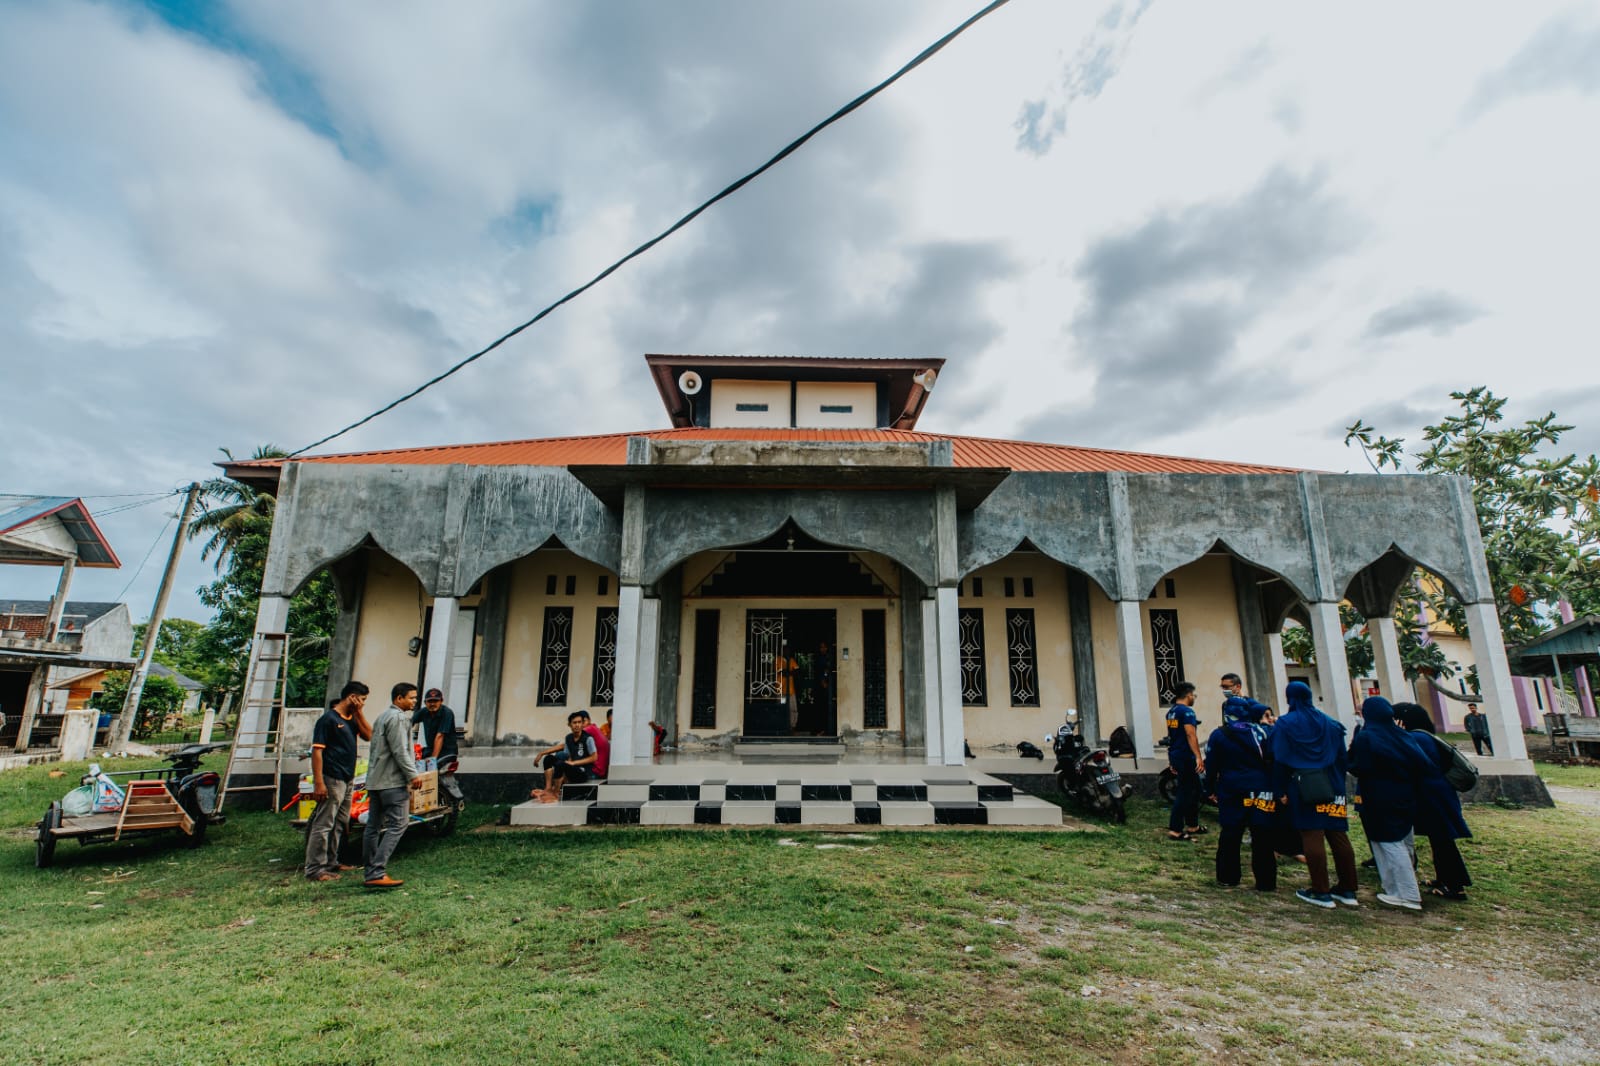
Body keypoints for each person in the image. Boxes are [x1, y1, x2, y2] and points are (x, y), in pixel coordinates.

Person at [1272, 681, 1358, 909]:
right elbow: (1342, 758)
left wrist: (1279, 789)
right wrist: (1338, 784)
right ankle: (1348, 889)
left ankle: (1321, 890)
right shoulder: (1331, 724)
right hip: (1333, 787)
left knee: (1312, 835)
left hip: (1304, 787)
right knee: (1338, 834)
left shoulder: (1286, 724)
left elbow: (1280, 759)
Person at [1348, 696, 1427, 911]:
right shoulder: (1403, 735)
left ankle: (1409, 894)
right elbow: (1423, 763)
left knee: (1388, 844)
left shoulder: (1367, 736)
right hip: (1405, 795)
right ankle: (1394, 889)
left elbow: (1356, 765)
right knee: (1404, 842)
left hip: (1378, 796)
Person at [1395, 702, 1474, 900]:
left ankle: (1455, 886)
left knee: (1442, 840)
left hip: (1432, 796)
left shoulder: (1417, 738)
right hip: (1436, 794)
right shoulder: (1425, 736)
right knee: (1439, 839)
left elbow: (1413, 765)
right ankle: (1445, 878)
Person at [1204, 695, 1278, 890]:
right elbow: (1272, 759)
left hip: (1232, 789)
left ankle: (1228, 877)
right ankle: (1266, 881)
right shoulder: (1261, 732)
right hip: (1261, 790)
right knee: (1262, 835)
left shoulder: (1219, 735)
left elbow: (1211, 765)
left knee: (1231, 833)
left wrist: (1209, 788)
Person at [304, 681, 372, 882]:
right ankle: (315, 868)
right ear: (352, 697)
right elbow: (317, 751)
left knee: (340, 822)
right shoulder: (328, 720)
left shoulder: (351, 719)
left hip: (348, 777)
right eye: (362, 700)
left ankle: (332, 862)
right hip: (332, 777)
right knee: (324, 823)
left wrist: (359, 713)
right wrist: (319, 782)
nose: (363, 704)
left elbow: (369, 736)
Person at [364, 682, 424, 889]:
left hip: (376, 780)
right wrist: (412, 775)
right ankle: (377, 871)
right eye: (411, 698)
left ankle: (370, 869)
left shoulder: (382, 717)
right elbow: (401, 751)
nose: (414, 702)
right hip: (391, 781)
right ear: (399, 699)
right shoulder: (398, 718)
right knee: (399, 824)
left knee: (373, 826)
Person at [1165, 681, 1206, 841]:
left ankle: (1192, 825)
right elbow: (1190, 734)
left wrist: (1171, 759)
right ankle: (1175, 829)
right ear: (1188, 695)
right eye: (1193, 695)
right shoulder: (1187, 712)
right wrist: (1198, 756)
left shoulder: (1171, 712)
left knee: (1195, 789)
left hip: (1176, 754)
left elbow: (1172, 737)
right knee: (1185, 791)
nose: (1194, 698)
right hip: (1186, 756)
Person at [532, 712, 601, 802]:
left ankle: (556, 794)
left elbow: (594, 757)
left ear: (582, 723)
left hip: (583, 772)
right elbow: (567, 756)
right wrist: (542, 753)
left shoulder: (588, 738)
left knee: (560, 764)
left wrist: (574, 763)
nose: (577, 725)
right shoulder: (568, 738)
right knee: (548, 759)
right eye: (574, 723)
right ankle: (548, 789)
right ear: (569, 725)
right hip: (571, 769)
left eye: (579, 722)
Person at [412, 688, 458, 761]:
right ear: (425, 702)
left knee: (433, 767)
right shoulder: (424, 712)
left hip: (447, 751)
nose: (432, 704)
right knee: (414, 759)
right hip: (430, 749)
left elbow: (440, 736)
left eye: (435, 701)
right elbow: (409, 723)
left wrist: (433, 759)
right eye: (430, 701)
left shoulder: (447, 713)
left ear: (441, 701)